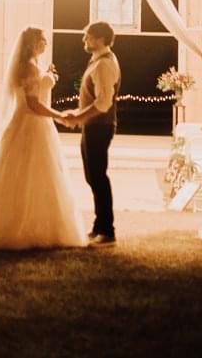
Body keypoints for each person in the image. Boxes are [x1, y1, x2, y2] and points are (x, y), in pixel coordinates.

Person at [0, 27, 87, 249]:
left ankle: (37, 223)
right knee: (31, 173)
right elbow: (32, 104)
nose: (45, 44)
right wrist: (59, 115)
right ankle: (27, 227)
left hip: (27, 123)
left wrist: (48, 78)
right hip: (31, 123)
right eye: (42, 40)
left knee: (37, 174)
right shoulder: (29, 69)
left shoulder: (30, 66)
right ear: (31, 44)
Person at [67, 20, 120, 246]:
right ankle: (100, 226)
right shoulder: (98, 61)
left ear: (100, 39)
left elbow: (104, 102)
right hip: (93, 125)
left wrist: (78, 118)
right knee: (92, 176)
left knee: (98, 176)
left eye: (87, 36)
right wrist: (80, 115)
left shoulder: (103, 65)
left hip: (100, 126)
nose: (84, 40)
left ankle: (107, 231)